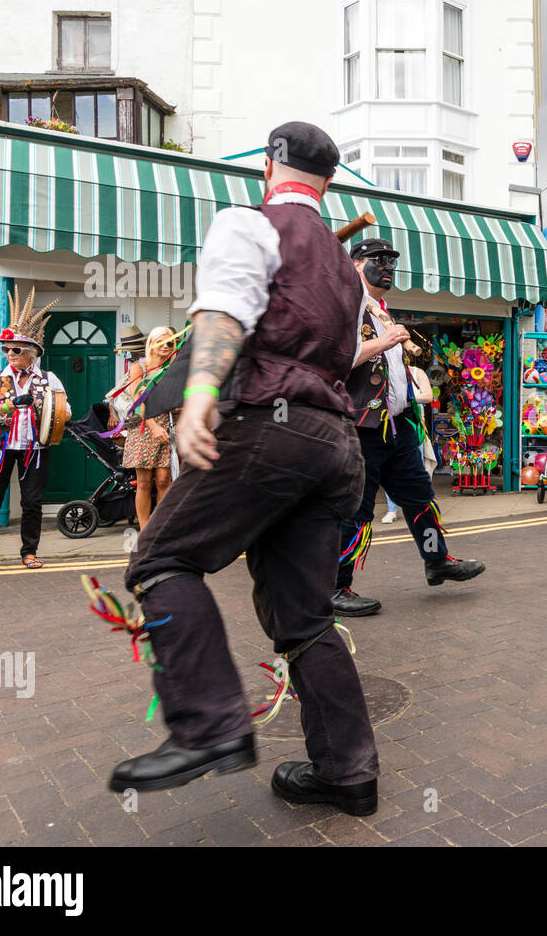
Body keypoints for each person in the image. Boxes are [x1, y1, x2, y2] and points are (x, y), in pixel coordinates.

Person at [116, 122, 380, 816]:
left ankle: (209, 726)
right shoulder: (345, 271)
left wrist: (201, 394)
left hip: (270, 425)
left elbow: (226, 311)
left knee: (161, 561)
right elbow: (341, 361)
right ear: (329, 182)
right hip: (333, 442)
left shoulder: (248, 222)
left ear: (270, 166)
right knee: (305, 620)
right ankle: (348, 773)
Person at [333, 237, 485, 616]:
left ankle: (437, 561)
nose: (387, 266)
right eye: (378, 260)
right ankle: (334, 587)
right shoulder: (348, 304)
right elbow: (339, 359)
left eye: (392, 261)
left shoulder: (379, 308)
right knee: (357, 510)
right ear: (354, 264)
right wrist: (385, 341)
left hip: (397, 425)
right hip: (364, 426)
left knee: (420, 497)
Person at [0, 291, 71, 572]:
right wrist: (11, 405)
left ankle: (29, 552)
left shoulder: (49, 379)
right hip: (0, 446)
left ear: (32, 353)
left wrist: (44, 406)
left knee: (32, 503)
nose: (10, 354)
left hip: (34, 448)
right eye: (7, 349)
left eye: (16, 349)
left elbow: (66, 410)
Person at [119, 326, 176, 531]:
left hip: (168, 425)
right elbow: (137, 400)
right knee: (143, 482)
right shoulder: (139, 367)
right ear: (151, 343)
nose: (166, 347)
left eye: (171, 343)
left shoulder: (174, 368)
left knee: (163, 480)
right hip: (144, 426)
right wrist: (153, 426)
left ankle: (161, 529)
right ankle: (145, 531)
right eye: (161, 342)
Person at [381, 363, 435, 523]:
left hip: (412, 424)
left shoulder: (417, 372)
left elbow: (428, 396)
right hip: (387, 424)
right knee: (389, 468)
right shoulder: (382, 371)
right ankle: (392, 510)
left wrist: (407, 398)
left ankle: (418, 508)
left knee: (414, 467)